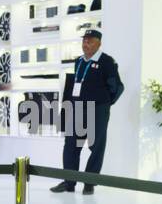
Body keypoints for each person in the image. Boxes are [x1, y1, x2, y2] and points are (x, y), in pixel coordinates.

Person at [51, 29, 123, 194]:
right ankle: (69, 182)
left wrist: (104, 104)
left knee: (96, 146)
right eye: (84, 40)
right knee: (71, 145)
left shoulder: (107, 61)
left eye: (89, 41)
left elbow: (117, 87)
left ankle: (89, 182)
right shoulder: (79, 61)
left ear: (99, 43)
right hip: (77, 109)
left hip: (97, 110)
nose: (85, 43)